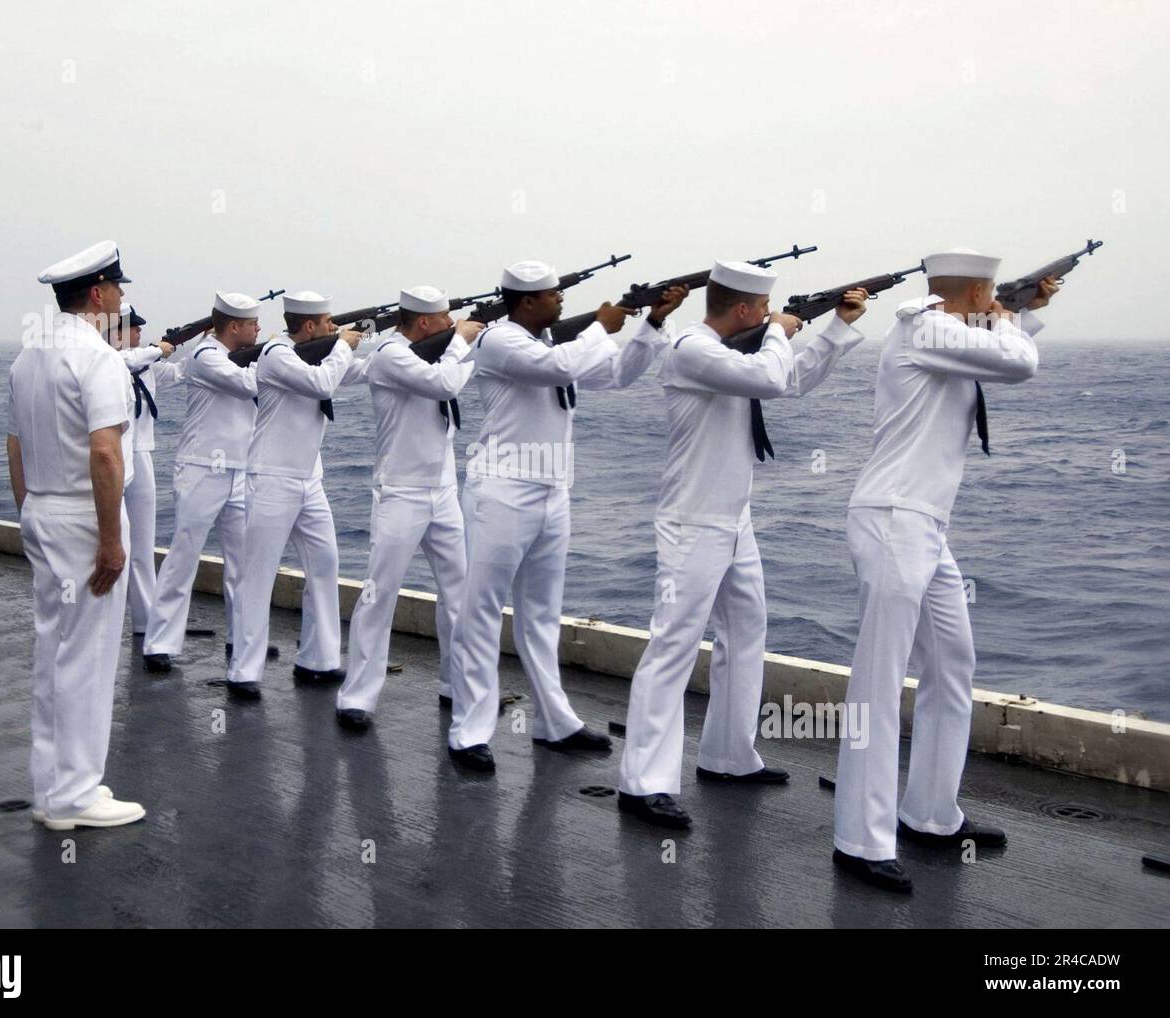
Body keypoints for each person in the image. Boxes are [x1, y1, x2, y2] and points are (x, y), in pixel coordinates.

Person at [832, 248, 1057, 893]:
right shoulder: (922, 326)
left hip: (925, 524)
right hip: (894, 519)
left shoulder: (943, 331)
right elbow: (1018, 363)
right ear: (978, 289)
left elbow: (990, 346)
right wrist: (1010, 317)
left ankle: (930, 813)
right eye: (990, 294)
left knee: (953, 663)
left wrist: (1018, 309)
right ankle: (859, 839)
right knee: (878, 683)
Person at [616, 260, 868, 829]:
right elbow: (771, 376)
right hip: (692, 522)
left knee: (746, 634)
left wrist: (834, 328)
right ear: (745, 311)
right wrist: (782, 330)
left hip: (733, 520)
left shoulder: (733, 355)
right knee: (673, 646)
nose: (770, 317)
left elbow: (791, 380)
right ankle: (644, 782)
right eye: (764, 310)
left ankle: (729, 755)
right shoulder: (689, 347)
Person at [446, 260, 686, 773]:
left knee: (541, 615)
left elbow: (619, 375)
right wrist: (601, 323)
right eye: (554, 295)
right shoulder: (498, 341)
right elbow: (559, 369)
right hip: (503, 490)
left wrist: (652, 324)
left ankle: (554, 722)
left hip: (552, 490)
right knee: (482, 612)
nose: (561, 301)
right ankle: (469, 731)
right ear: (527, 301)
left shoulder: (553, 344)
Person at [7, 239, 146, 830]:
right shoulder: (98, 358)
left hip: (42, 508)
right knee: (87, 659)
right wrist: (110, 539)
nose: (120, 297)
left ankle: (52, 788)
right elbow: (105, 452)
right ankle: (76, 797)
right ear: (98, 293)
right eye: (117, 288)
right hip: (86, 518)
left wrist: (29, 512)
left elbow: (14, 444)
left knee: (53, 655)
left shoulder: (28, 355)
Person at [335, 286, 483, 730]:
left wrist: (464, 342)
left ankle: (455, 684)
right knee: (380, 594)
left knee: (459, 592)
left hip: (441, 490)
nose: (451, 323)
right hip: (400, 491)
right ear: (424, 323)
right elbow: (444, 383)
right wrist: (463, 341)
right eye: (444, 318)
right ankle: (357, 696)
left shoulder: (431, 353)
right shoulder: (391, 355)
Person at [224, 291, 363, 699]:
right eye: (328, 323)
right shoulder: (276, 355)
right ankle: (244, 671)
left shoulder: (317, 353)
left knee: (324, 565)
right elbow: (321, 380)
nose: (334, 328)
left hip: (309, 478)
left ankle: (318, 660)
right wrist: (342, 346)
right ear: (308, 327)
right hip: (271, 478)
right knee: (258, 575)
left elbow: (348, 374)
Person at [142, 293, 261, 673]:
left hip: (240, 469)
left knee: (243, 562)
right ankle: (160, 642)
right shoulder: (204, 356)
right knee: (184, 556)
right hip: (201, 469)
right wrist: (279, 360)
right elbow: (247, 385)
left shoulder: (234, 354)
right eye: (251, 324)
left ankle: (241, 637)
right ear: (232, 327)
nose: (258, 328)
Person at [114, 303, 182, 639]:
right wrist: (156, 350)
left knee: (142, 545)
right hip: (111, 456)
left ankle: (146, 622)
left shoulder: (146, 365)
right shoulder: (109, 360)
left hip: (140, 455)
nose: (140, 333)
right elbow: (124, 361)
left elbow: (183, 373)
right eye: (133, 328)